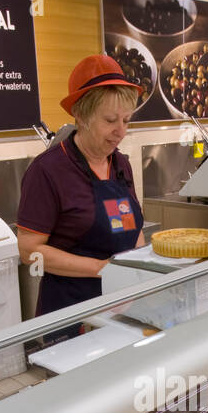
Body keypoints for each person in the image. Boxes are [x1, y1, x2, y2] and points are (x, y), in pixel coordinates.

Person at [16, 56, 144, 331]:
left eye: (126, 120)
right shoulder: (48, 171)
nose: (120, 131)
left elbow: (132, 228)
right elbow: (29, 252)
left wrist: (143, 270)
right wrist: (101, 268)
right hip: (72, 312)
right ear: (81, 115)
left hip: (121, 303)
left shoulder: (120, 163)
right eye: (110, 120)